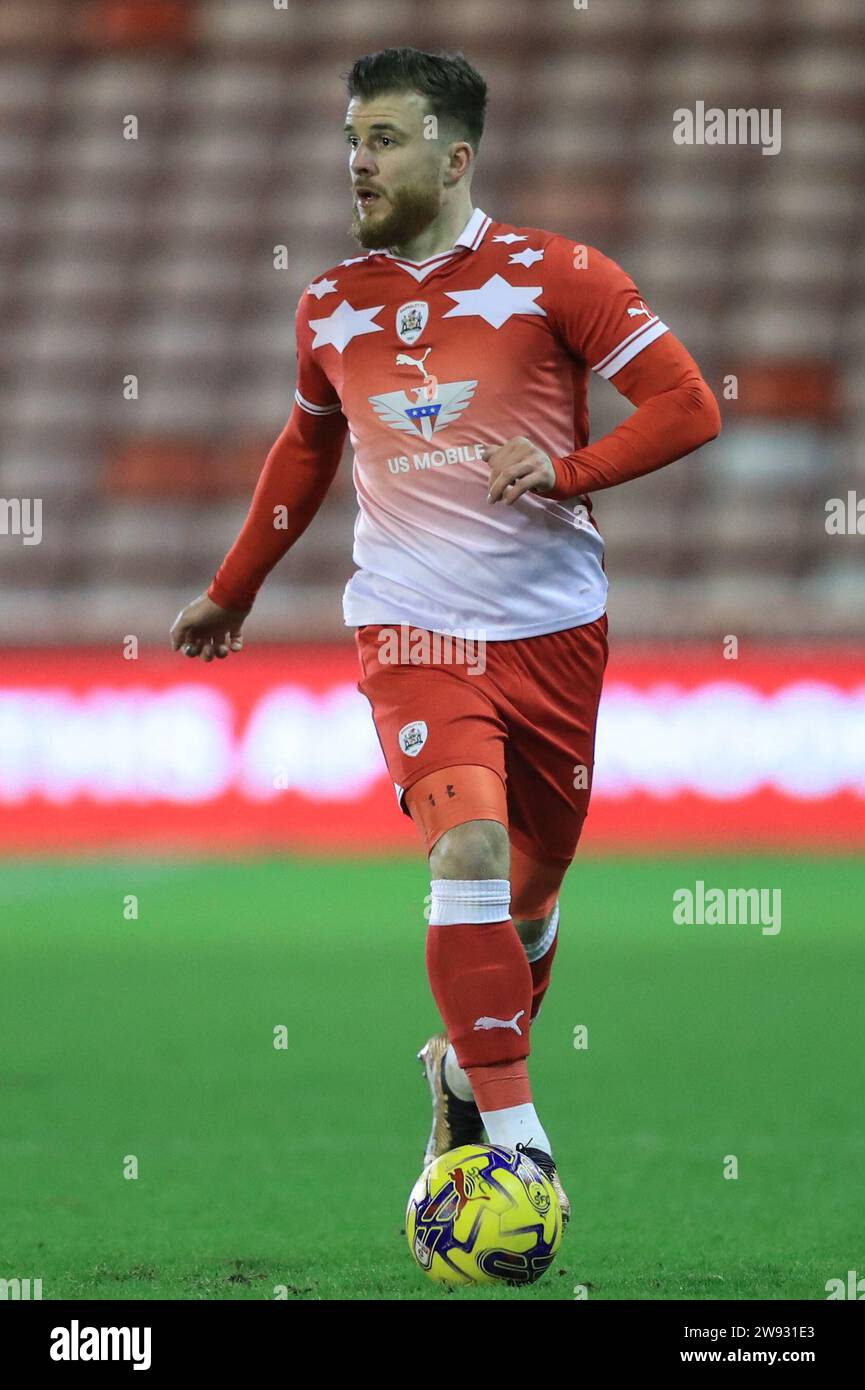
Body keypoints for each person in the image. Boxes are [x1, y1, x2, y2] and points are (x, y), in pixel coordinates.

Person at [170, 46, 721, 1225]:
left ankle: (465, 1075)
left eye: (383, 140)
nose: (357, 162)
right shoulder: (329, 303)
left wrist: (569, 469)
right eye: (350, 140)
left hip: (553, 629)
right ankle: (519, 1149)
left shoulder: (559, 275)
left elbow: (689, 405)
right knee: (464, 852)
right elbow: (306, 447)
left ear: (455, 154)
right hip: (409, 627)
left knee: (529, 896)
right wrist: (234, 588)